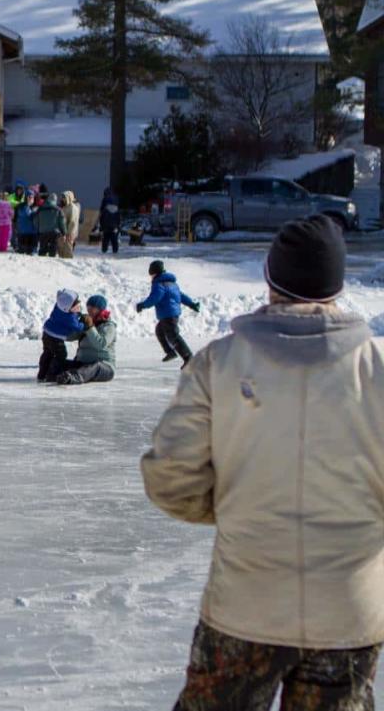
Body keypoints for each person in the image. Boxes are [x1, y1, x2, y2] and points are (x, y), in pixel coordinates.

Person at [142, 215, 384, 711]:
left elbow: (171, 476)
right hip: (349, 613)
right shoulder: (378, 371)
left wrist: (236, 507)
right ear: (336, 286)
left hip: (245, 605)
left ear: (271, 279)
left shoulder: (218, 363)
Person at [137, 260, 201, 365]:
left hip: (168, 315)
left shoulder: (159, 284)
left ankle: (188, 357)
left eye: (151, 274)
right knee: (160, 331)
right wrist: (192, 304)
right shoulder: (172, 283)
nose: (151, 277)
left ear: (155, 273)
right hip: (170, 314)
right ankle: (170, 352)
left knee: (173, 336)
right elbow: (181, 296)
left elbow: (155, 298)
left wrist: (143, 305)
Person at [56, 295, 116, 385]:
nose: (89, 311)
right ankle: (52, 375)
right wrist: (72, 323)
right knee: (57, 363)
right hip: (83, 364)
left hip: (104, 367)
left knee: (95, 367)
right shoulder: (87, 322)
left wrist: (90, 327)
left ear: (100, 309)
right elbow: (70, 337)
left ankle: (75, 377)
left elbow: (101, 344)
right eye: (88, 308)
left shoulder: (108, 326)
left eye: (92, 308)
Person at [39, 288, 84, 382]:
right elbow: (77, 327)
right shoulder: (70, 318)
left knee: (47, 352)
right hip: (55, 338)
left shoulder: (58, 306)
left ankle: (42, 374)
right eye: (75, 307)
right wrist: (84, 323)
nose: (78, 308)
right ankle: (51, 374)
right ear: (67, 308)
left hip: (46, 332)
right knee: (61, 355)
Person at [35, 192, 66, 257]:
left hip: (42, 232)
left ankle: (40, 263)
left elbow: (35, 220)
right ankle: (52, 262)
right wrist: (64, 233)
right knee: (53, 249)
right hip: (54, 233)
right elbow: (62, 222)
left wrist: (38, 229)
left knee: (42, 249)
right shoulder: (58, 210)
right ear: (55, 200)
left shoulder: (40, 209)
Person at [99, 188, 121, 254]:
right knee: (114, 238)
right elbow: (118, 217)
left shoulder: (105, 199)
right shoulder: (116, 199)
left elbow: (101, 212)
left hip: (106, 222)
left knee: (106, 237)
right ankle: (115, 250)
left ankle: (104, 250)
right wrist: (118, 225)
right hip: (114, 223)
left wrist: (101, 225)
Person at [62, 190, 81, 256]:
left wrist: (68, 233)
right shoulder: (66, 207)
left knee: (68, 251)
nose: (62, 199)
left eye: (64, 197)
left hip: (69, 233)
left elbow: (72, 222)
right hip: (66, 232)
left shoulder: (72, 208)